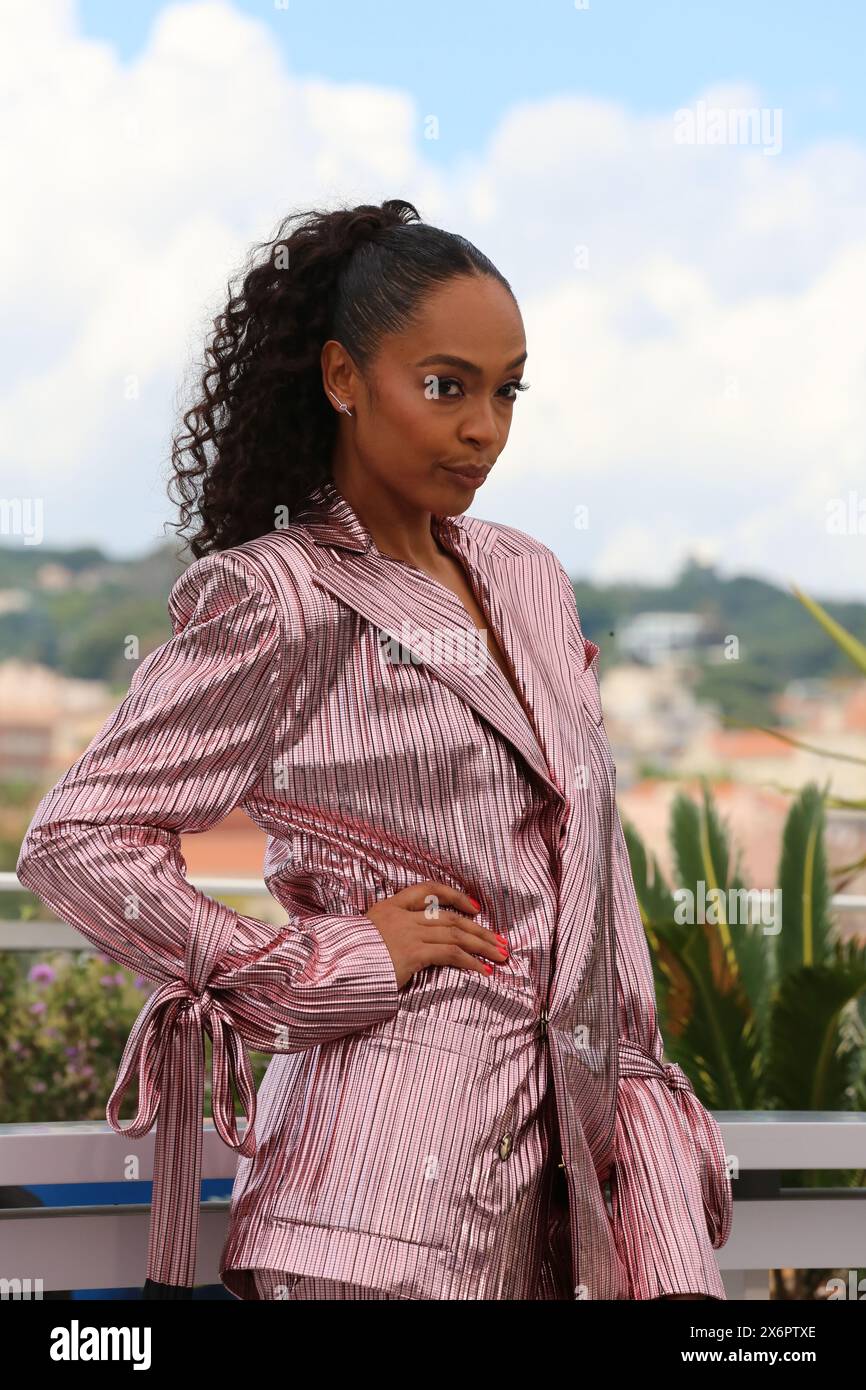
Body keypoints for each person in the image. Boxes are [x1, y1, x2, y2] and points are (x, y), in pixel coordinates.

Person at [16, 198, 732, 1301]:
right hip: (363, 1218)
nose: (482, 427)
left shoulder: (529, 578)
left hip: (561, 1200)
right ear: (343, 378)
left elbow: (586, 875)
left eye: (506, 391)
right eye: (444, 386)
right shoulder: (278, 598)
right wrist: (325, 961)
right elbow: (75, 840)